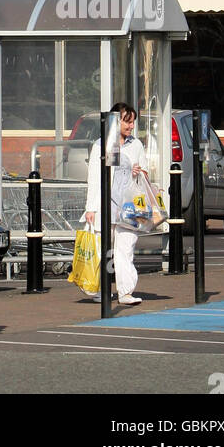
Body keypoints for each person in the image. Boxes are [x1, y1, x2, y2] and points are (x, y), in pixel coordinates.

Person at [82, 102, 147, 306]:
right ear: (115, 120)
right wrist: (90, 208)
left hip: (128, 207)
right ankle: (98, 289)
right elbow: (94, 178)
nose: (130, 126)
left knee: (126, 248)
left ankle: (125, 292)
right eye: (126, 121)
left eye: (132, 122)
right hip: (106, 204)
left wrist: (138, 172)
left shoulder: (136, 145)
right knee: (103, 250)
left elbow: (144, 173)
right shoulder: (101, 145)